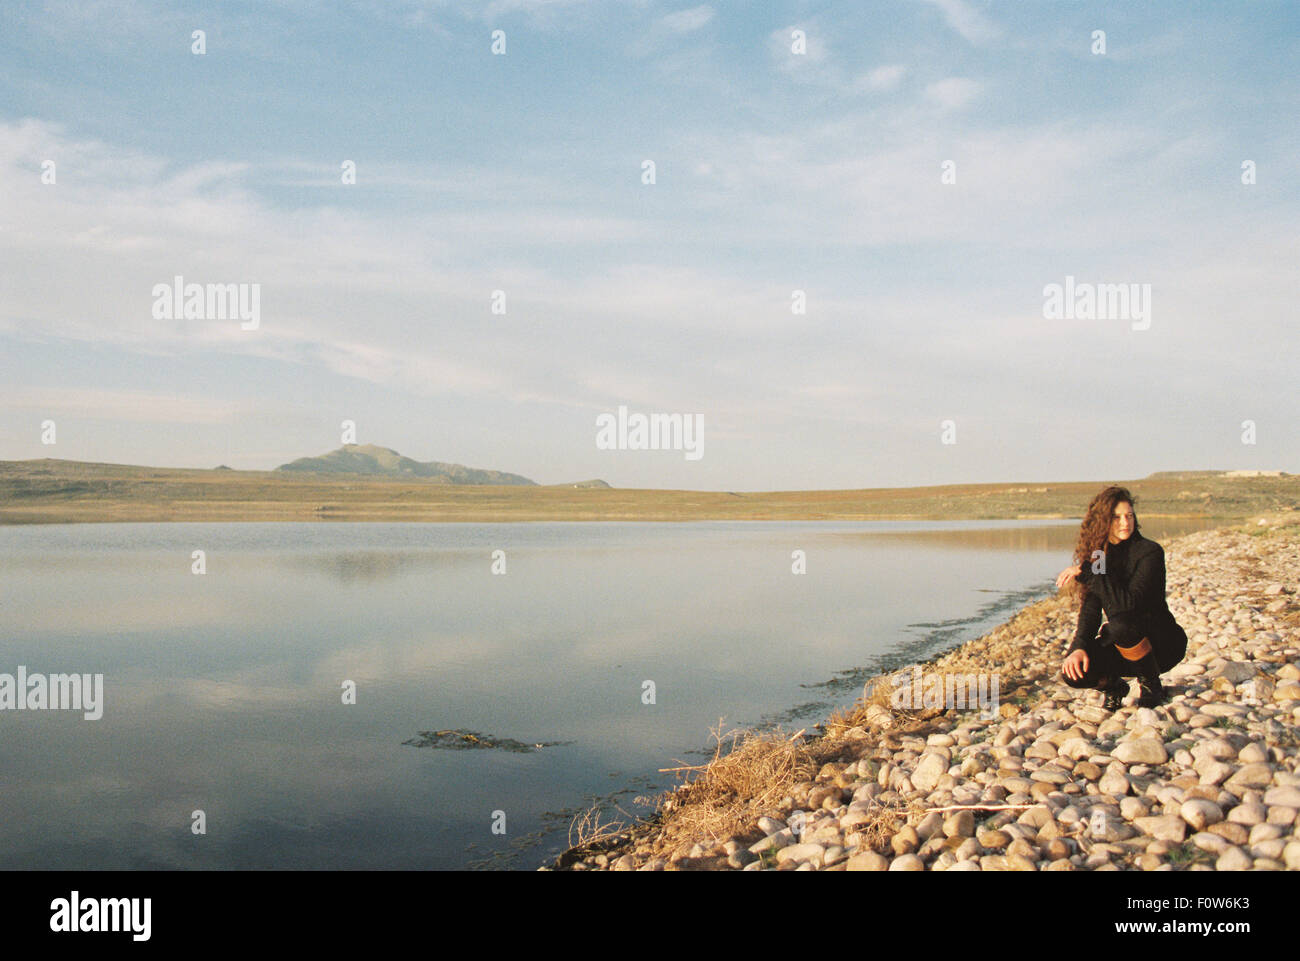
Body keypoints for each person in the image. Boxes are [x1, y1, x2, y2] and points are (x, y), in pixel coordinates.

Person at [1055, 486, 1188, 710]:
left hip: (1162, 646)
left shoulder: (1150, 552)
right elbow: (1091, 609)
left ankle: (1151, 684)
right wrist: (1078, 648)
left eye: (1129, 515)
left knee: (1120, 625)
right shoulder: (1099, 556)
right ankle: (1113, 687)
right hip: (1123, 642)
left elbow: (1128, 605)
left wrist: (1087, 573)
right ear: (1103, 521)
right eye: (1116, 517)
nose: (1125, 523)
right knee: (1073, 673)